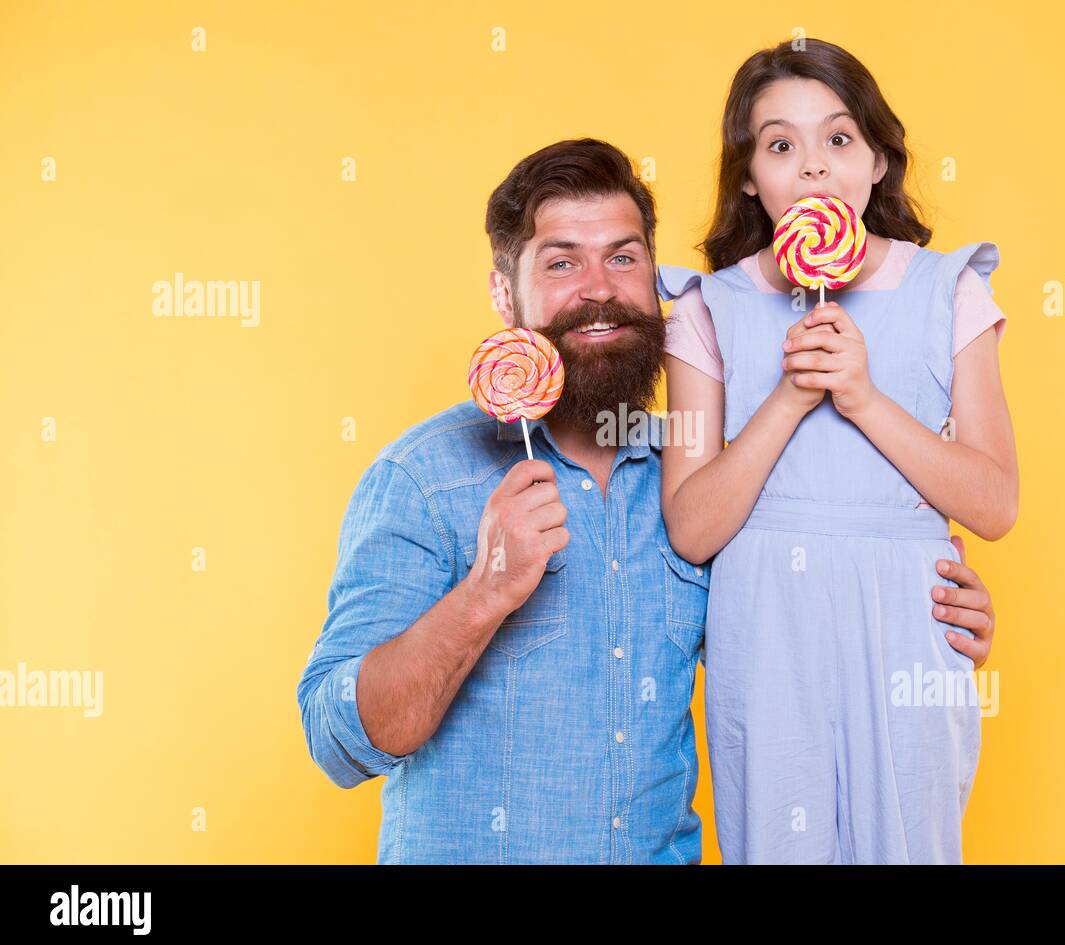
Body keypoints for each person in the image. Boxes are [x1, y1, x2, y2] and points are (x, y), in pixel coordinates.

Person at [296, 137, 1000, 863]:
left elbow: (787, 629)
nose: (599, 288)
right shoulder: (423, 476)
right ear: (505, 294)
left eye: (624, 257)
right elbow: (339, 741)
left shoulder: (695, 479)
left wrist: (923, 617)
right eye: (562, 260)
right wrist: (484, 594)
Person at [658, 39, 1018, 863]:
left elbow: (994, 504)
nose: (813, 168)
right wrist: (790, 395)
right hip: (765, 625)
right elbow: (692, 526)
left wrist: (861, 395)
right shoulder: (706, 307)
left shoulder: (948, 290)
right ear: (749, 175)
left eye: (839, 139)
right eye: (780, 145)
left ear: (880, 159)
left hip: (910, 619)